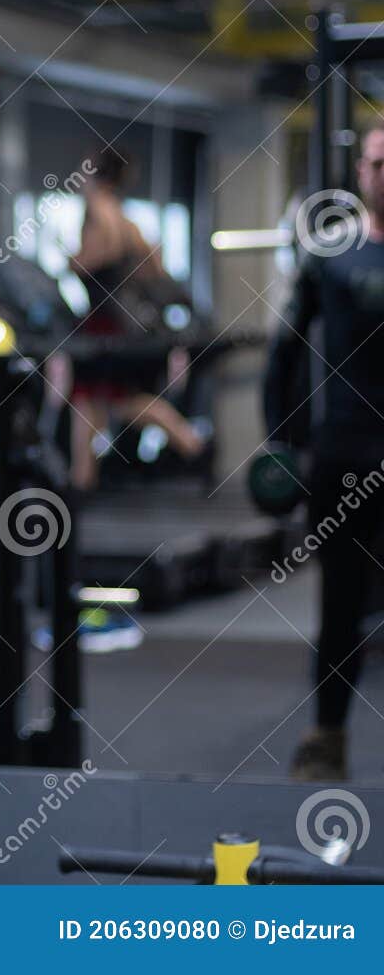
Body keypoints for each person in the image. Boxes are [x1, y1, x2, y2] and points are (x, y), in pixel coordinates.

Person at [265, 125, 384, 781]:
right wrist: (280, 441)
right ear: (362, 171)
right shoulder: (333, 255)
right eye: (378, 161)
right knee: (339, 606)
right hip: (343, 456)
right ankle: (327, 734)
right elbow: (285, 349)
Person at [67, 147, 205, 491]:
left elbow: (100, 254)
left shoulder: (99, 210)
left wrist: (71, 260)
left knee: (111, 401)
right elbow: (154, 266)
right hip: (121, 324)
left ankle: (191, 444)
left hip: (106, 324)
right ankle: (83, 478)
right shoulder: (127, 218)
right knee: (97, 402)